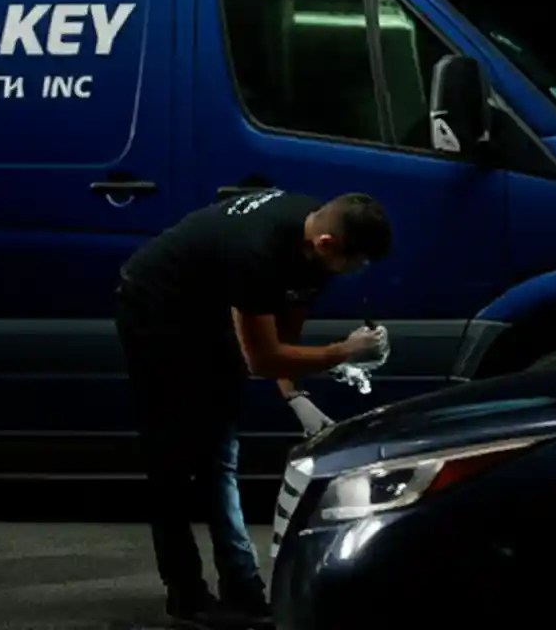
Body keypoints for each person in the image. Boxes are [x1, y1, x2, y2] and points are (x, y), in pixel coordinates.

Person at [114, 188, 391, 625]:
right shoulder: (257, 253)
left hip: (211, 310)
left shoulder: (314, 245)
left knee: (219, 456)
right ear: (327, 245)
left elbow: (284, 336)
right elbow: (261, 359)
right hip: (157, 309)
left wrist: (295, 395)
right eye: (354, 264)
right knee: (172, 462)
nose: (356, 273)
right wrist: (343, 352)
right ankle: (187, 595)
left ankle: (242, 589)